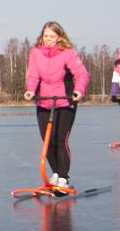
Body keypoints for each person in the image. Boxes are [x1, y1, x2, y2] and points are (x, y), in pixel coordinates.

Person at [23, 21, 89, 193]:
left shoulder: (68, 53)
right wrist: (30, 90)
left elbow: (81, 74)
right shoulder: (36, 53)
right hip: (44, 100)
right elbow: (33, 75)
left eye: (52, 36)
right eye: (46, 36)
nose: (49, 39)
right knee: (47, 140)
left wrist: (78, 91)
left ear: (59, 37)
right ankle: (56, 173)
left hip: (66, 100)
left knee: (60, 139)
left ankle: (63, 177)